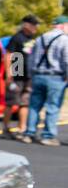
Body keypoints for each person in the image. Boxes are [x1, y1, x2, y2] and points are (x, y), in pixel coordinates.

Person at [21, 15, 68, 146]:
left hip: (38, 76)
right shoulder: (64, 40)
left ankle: (29, 133)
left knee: (34, 106)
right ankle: (47, 136)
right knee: (53, 107)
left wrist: (30, 76)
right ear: (63, 26)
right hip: (56, 77)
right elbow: (67, 60)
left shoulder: (40, 38)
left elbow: (31, 60)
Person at [3, 14, 39, 137]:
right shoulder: (17, 38)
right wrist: (9, 74)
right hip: (17, 72)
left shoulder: (32, 39)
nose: (36, 27)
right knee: (11, 102)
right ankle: (6, 127)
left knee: (25, 102)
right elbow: (8, 55)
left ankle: (21, 128)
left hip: (28, 75)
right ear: (26, 25)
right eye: (33, 25)